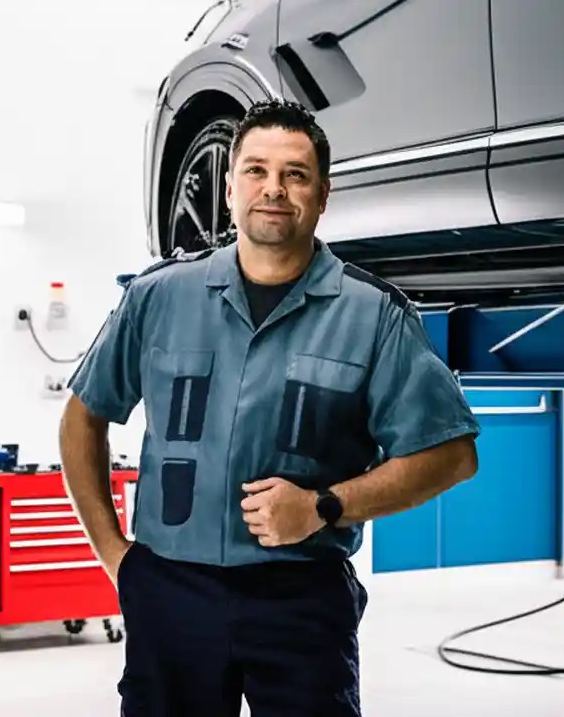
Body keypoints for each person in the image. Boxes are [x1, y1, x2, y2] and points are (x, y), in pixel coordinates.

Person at [59, 99, 480, 717]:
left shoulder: (373, 315)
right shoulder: (157, 298)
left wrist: (324, 506)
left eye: (295, 174)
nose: (273, 189)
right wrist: (116, 558)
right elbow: (81, 419)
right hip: (169, 591)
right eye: (256, 170)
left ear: (322, 195)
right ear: (230, 188)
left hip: (301, 600)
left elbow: (451, 454)